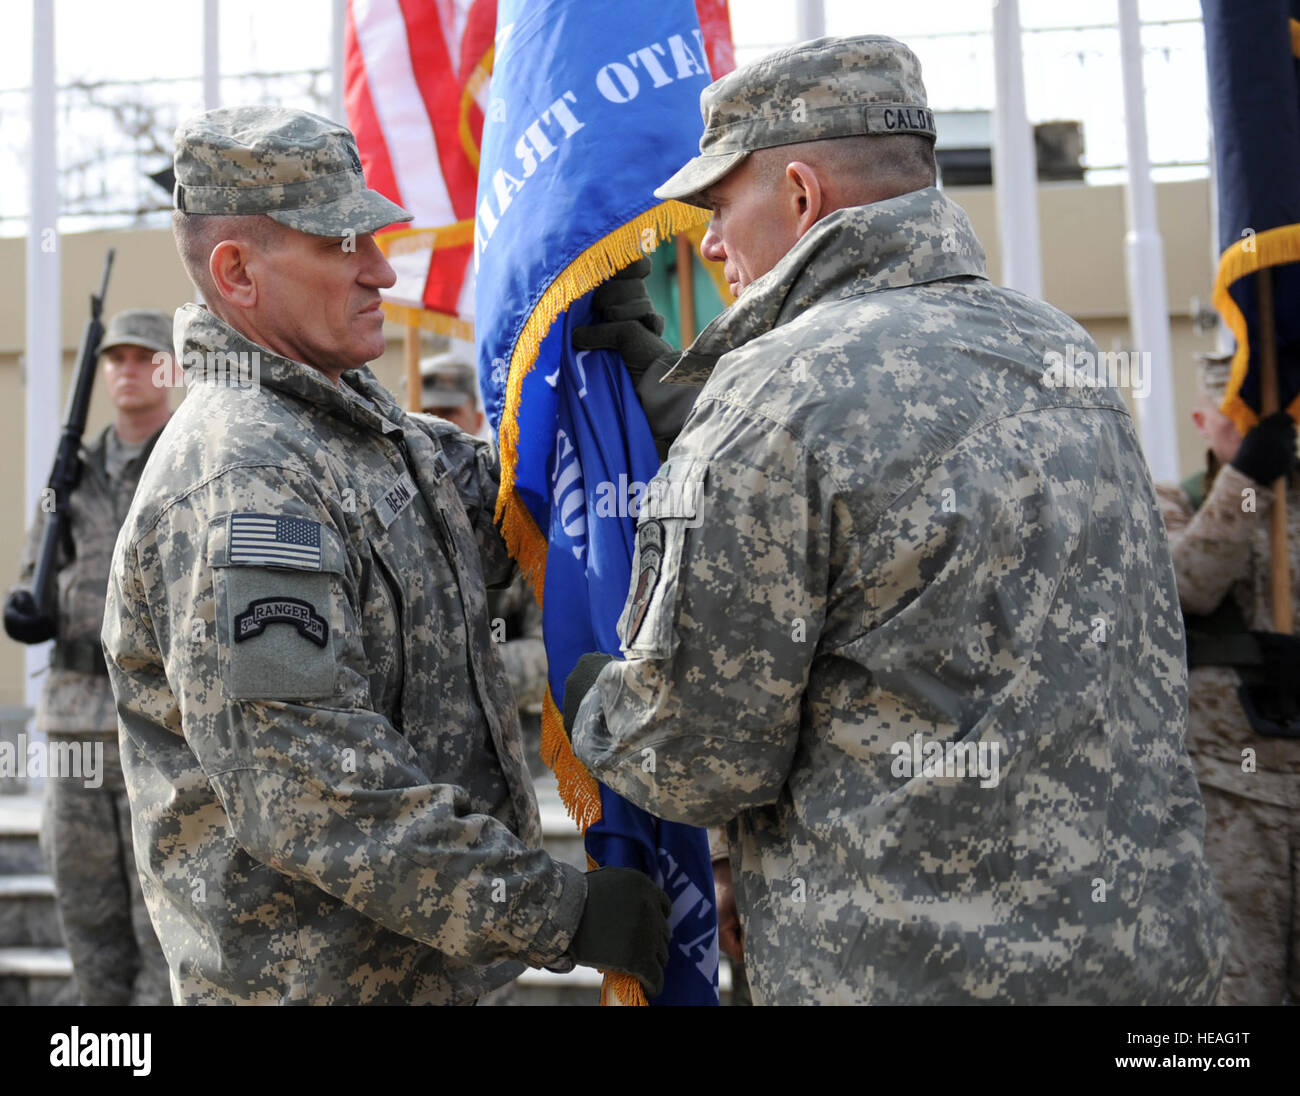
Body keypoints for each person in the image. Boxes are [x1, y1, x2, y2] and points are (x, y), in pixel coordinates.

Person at [563, 35, 1226, 1005]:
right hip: (1149, 968)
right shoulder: (1057, 350)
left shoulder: (771, 393)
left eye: (716, 204)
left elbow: (697, 761)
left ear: (798, 193)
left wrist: (590, 686)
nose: (706, 244)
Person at [100, 106, 669, 1005]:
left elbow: (508, 511)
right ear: (237, 272)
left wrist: (619, 410)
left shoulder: (357, 425)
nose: (382, 269)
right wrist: (556, 911)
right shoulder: (243, 475)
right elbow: (312, 786)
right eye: (340, 243)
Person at [4, 308, 173, 1005]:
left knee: (163, 923)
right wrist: (25, 602)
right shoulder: (70, 475)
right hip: (75, 722)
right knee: (86, 916)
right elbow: (31, 570)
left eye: (142, 357)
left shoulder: (187, 458)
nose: (127, 370)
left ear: (171, 368)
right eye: (115, 359)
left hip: (159, 728)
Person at [1155, 353, 1300, 1005]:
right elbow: (1184, 587)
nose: (1247, 435)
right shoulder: (1172, 501)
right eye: (1234, 423)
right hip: (1225, 786)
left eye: (1260, 424)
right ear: (1202, 420)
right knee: (1238, 983)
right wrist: (1246, 482)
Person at [419, 351, 547, 776]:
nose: (435, 422)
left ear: (474, 417)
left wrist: (454, 666)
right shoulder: (393, 512)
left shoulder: (506, 513)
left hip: (514, 759)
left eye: (447, 412)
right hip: (418, 763)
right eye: (425, 411)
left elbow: (551, 655)